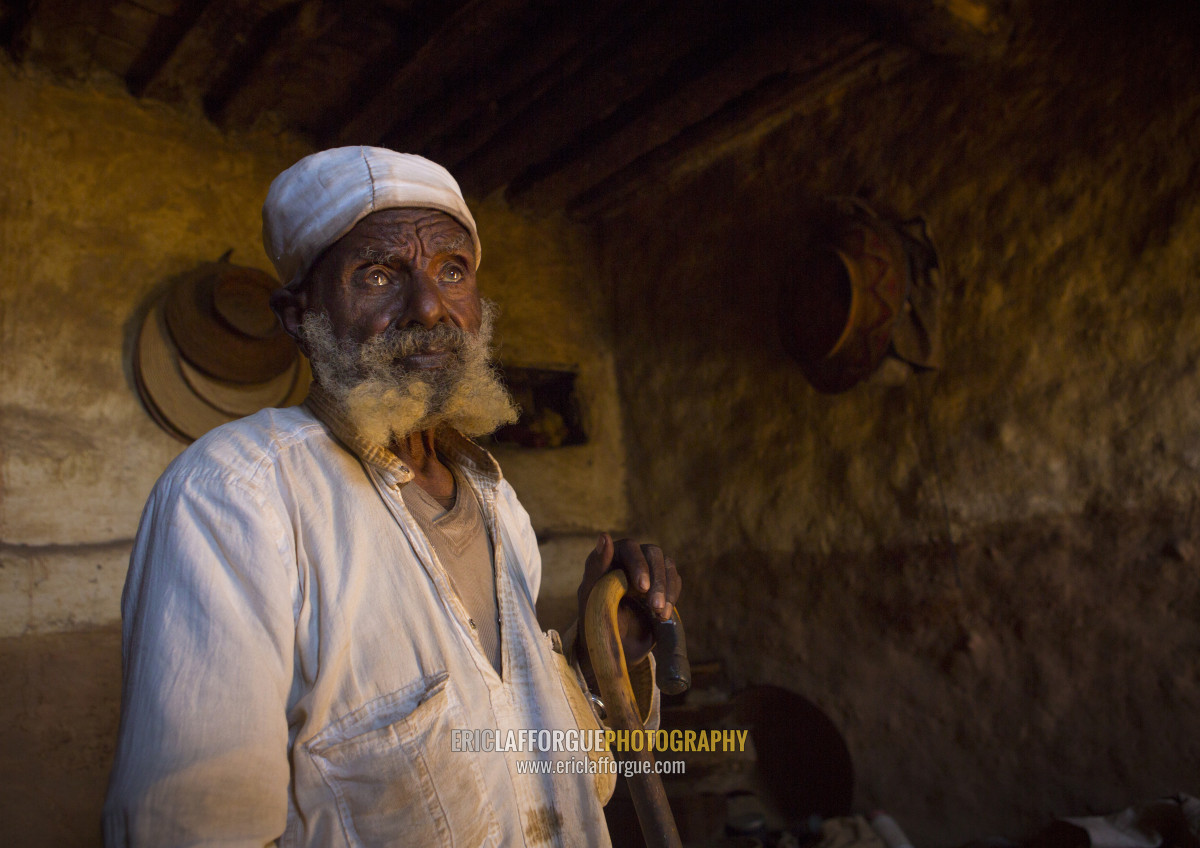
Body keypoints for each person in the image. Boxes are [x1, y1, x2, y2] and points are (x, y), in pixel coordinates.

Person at [103, 147, 683, 847]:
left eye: (452, 271)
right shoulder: (236, 497)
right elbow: (190, 830)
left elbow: (556, 774)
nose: (429, 307)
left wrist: (601, 657)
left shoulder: (498, 501)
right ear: (298, 317)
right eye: (378, 275)